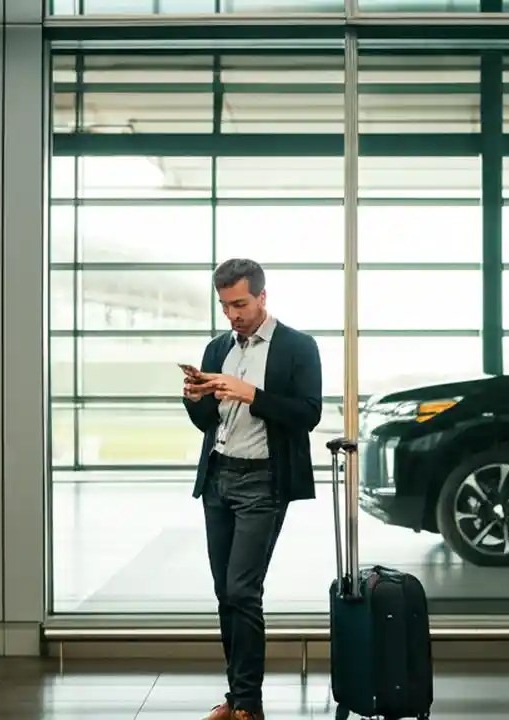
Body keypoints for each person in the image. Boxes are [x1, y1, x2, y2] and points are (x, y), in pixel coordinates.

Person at [182, 258, 323, 720]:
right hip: (218, 477)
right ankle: (237, 697)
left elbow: (308, 414)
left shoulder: (298, 347)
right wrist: (194, 399)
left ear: (263, 297)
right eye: (224, 306)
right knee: (225, 592)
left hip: (263, 480)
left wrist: (250, 394)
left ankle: (251, 704)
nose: (232, 315)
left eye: (240, 304)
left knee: (243, 590)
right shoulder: (217, 347)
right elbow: (207, 424)